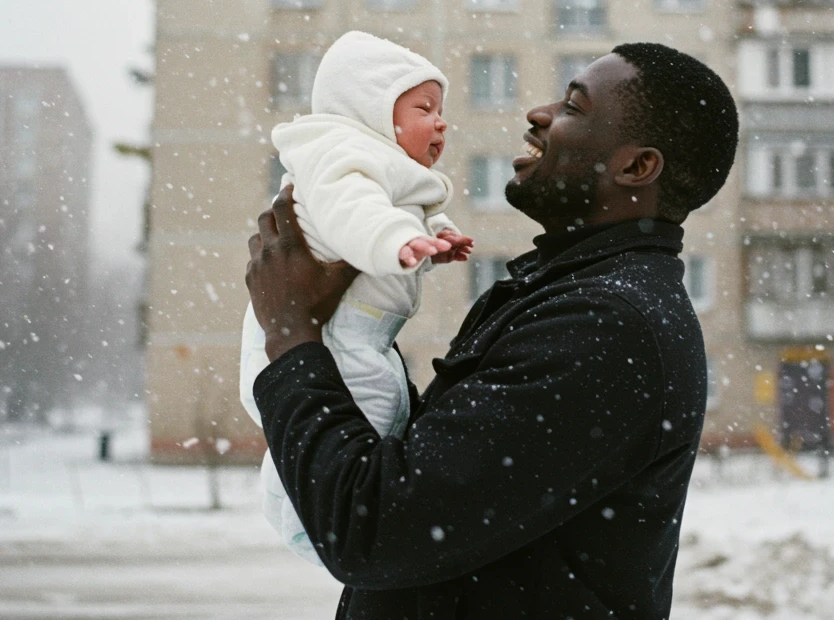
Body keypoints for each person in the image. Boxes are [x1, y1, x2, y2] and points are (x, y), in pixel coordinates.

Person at [245, 42, 739, 619]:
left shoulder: (606, 325)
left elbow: (375, 529)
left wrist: (291, 335)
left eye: (573, 107)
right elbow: (426, 478)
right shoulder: (570, 296)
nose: (539, 112)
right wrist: (345, 327)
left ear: (635, 167)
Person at [239, 30, 473, 564]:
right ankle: (311, 520)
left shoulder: (386, 170)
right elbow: (356, 210)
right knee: (359, 417)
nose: (441, 122)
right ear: (371, 110)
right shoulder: (344, 156)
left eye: (442, 111)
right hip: (334, 327)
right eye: (423, 108)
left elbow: (402, 208)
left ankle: (318, 509)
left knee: (381, 418)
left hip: (355, 328)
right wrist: (399, 241)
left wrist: (436, 236)